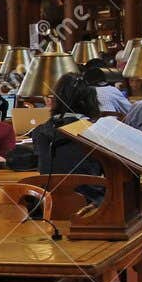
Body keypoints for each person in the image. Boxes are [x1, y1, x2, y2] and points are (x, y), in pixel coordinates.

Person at [30, 72, 104, 203]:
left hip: (50, 208)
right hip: (92, 208)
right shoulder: (97, 132)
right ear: (91, 100)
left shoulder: (39, 132)